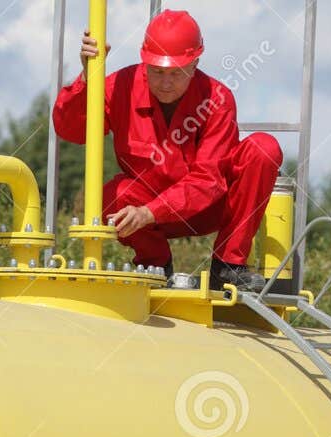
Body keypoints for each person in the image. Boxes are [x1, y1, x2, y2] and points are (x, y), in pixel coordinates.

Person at [51, 8, 283, 292]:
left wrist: (150, 211)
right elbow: (70, 129)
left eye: (176, 73)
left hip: (209, 209)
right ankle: (155, 265)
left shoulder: (218, 99)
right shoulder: (121, 87)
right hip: (147, 216)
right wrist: (89, 78)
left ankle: (229, 264)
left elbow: (208, 181)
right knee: (111, 196)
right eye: (157, 71)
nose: (165, 83)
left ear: (196, 62)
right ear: (143, 60)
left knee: (263, 148)